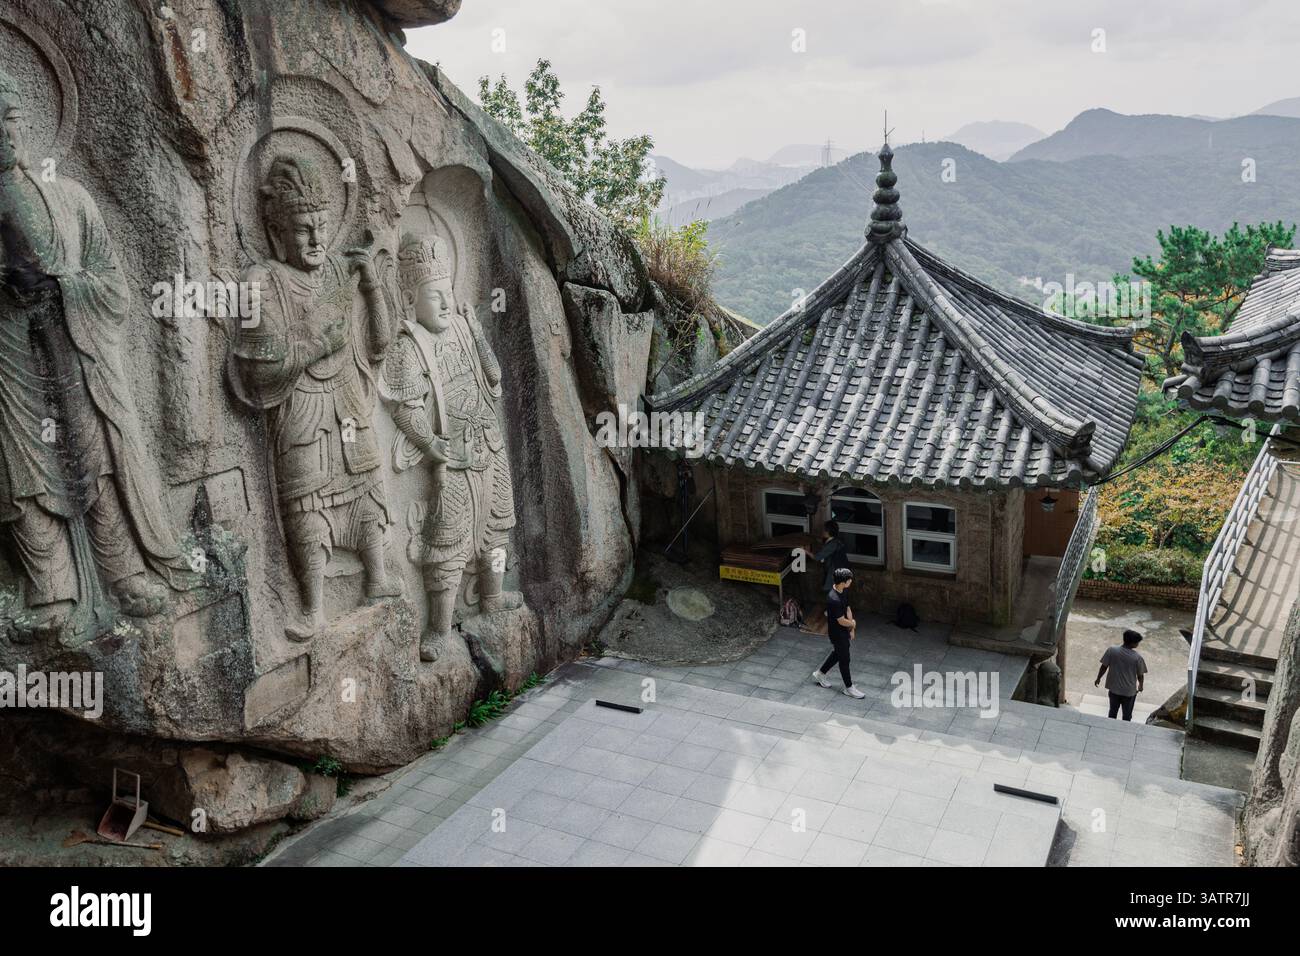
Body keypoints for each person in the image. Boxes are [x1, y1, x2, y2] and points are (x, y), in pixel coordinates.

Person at [812, 567, 866, 699]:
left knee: (838, 653)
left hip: (843, 631)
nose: (851, 581)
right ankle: (849, 688)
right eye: (849, 580)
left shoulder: (842, 591)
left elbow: (848, 609)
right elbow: (841, 620)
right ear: (843, 582)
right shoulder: (833, 599)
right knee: (844, 659)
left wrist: (852, 628)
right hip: (837, 633)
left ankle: (820, 673)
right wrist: (852, 623)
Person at [1095, 629, 1147, 721]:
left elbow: (1104, 667)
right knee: (1127, 715)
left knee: (1112, 712)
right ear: (1133, 643)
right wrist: (1141, 686)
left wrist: (1098, 678)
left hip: (1114, 689)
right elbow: (1140, 675)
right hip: (1129, 692)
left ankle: (1110, 728)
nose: (1138, 644)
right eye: (1137, 642)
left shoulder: (1112, 651)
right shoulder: (1137, 658)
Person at [814, 520, 851, 593]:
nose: (822, 531)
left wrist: (805, 551)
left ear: (828, 532)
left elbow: (817, 557)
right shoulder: (837, 541)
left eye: (824, 530)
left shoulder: (832, 544)